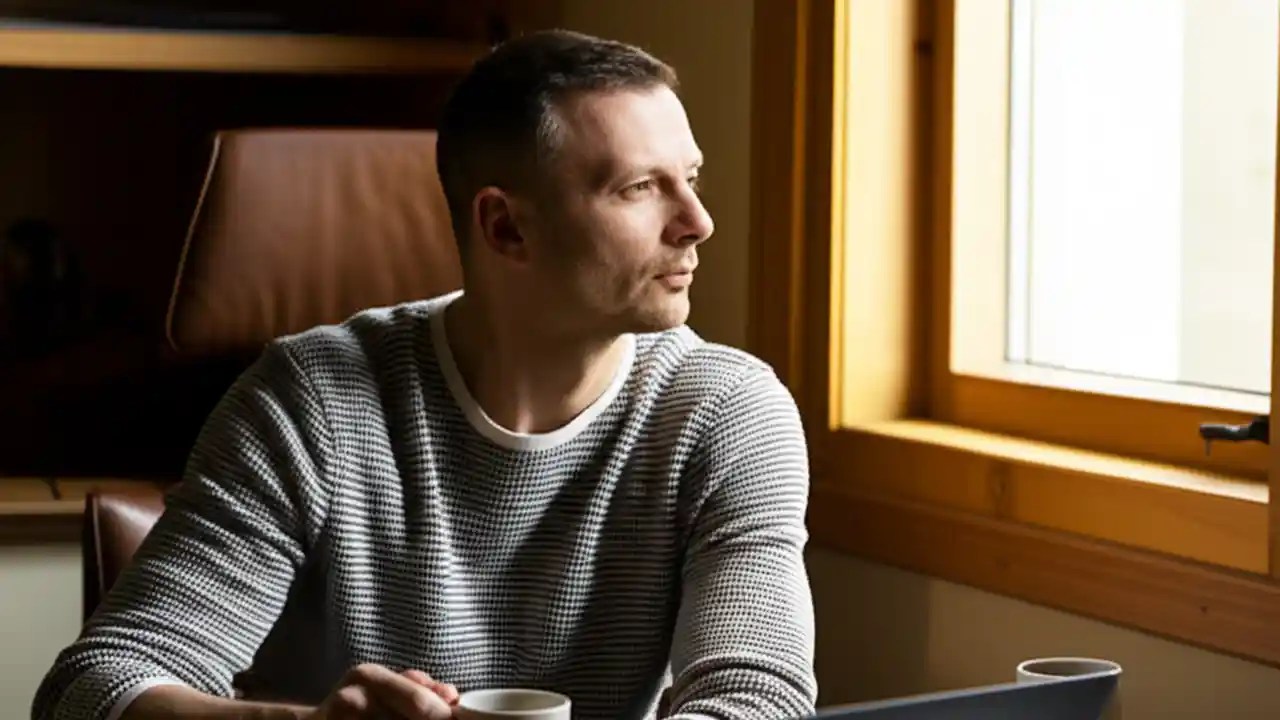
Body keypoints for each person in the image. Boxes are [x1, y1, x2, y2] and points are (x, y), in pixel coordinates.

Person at [32, 29, 817, 720]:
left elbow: (759, 695)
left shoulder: (725, 411)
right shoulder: (314, 401)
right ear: (505, 226)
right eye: (640, 188)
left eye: (692, 177)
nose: (697, 221)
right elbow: (91, 690)